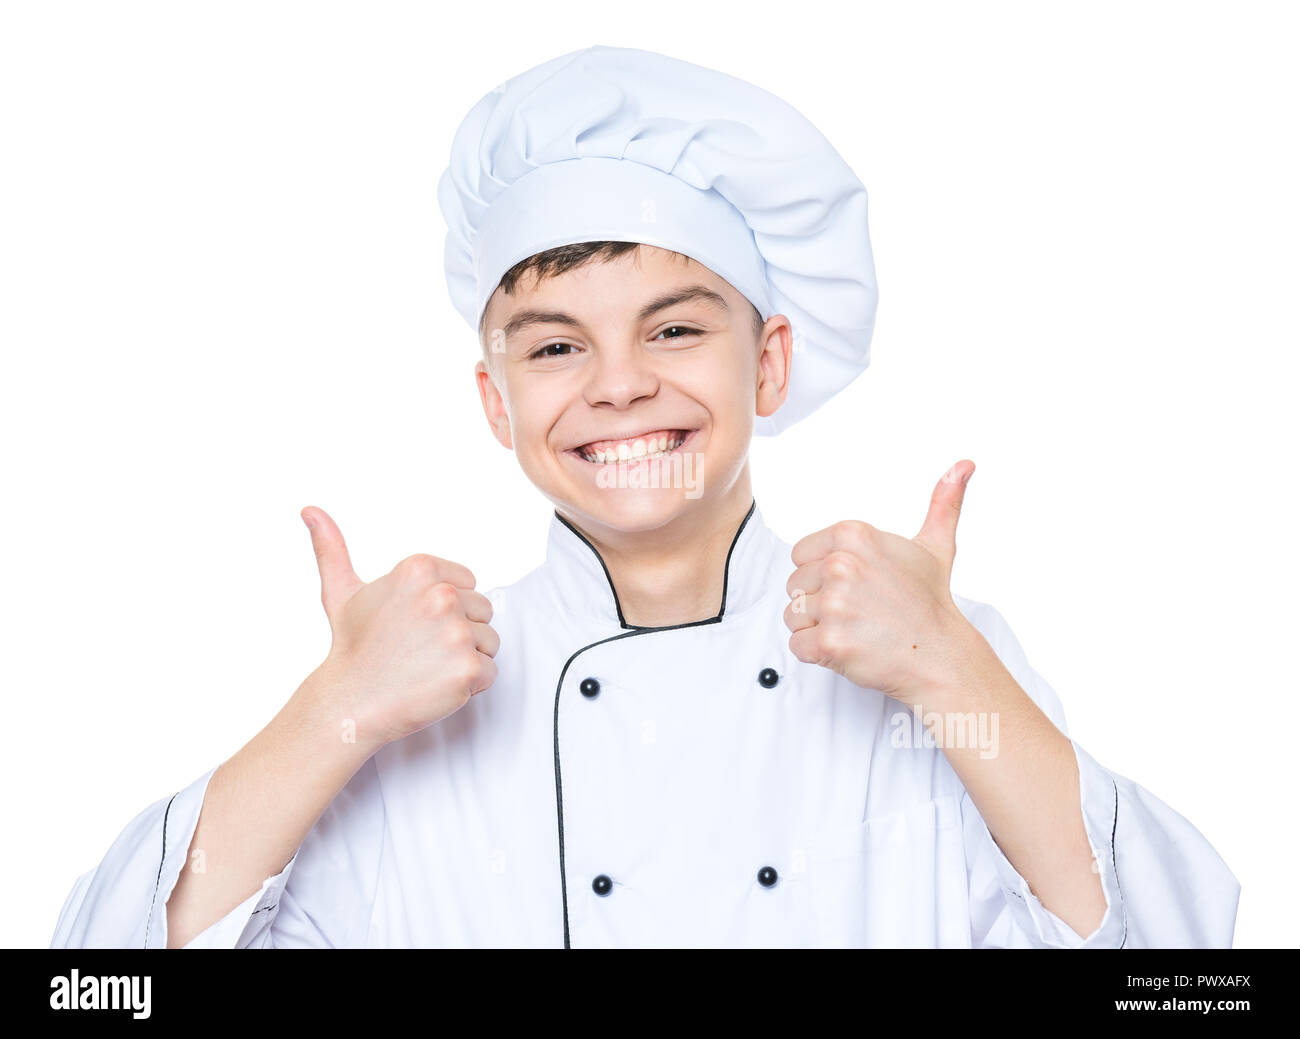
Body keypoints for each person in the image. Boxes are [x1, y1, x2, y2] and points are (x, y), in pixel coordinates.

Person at [51, 44, 1239, 949]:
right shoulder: (401, 710)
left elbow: (1180, 974)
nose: (620, 386)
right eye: (556, 347)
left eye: (674, 328)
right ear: (494, 399)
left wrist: (946, 670)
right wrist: (334, 716)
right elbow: (96, 985)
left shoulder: (931, 674)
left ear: (767, 360)